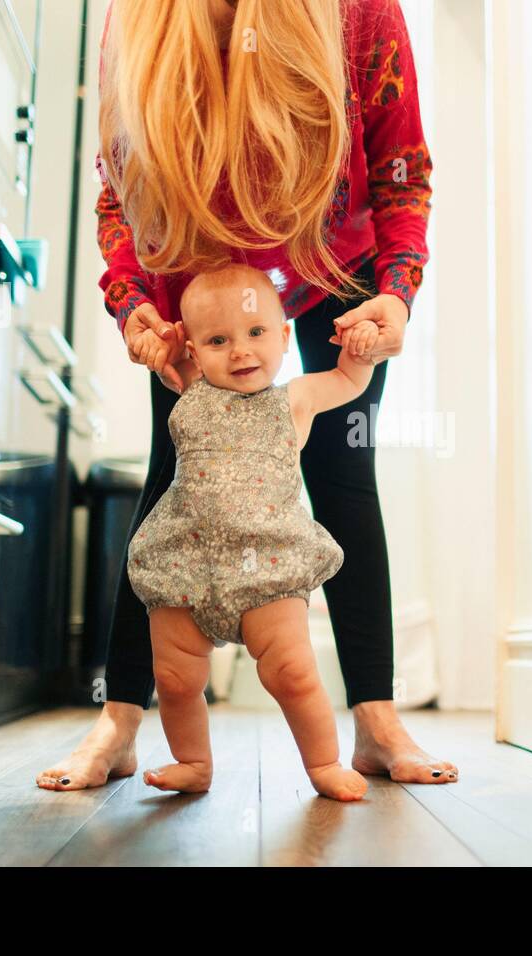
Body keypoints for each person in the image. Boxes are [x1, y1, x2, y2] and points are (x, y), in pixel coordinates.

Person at [37, 0, 458, 791]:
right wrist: (135, 310)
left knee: (342, 472)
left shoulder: (361, 13)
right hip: (201, 282)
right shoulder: (134, 22)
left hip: (339, 260)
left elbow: (402, 170)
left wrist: (396, 294)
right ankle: (121, 721)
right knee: (173, 477)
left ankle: (374, 722)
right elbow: (113, 194)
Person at [129, 263, 379, 800]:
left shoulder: (297, 398)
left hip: (268, 563)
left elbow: (350, 381)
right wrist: (160, 347)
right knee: (174, 680)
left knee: (291, 672)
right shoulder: (190, 386)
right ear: (194, 351)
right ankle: (193, 762)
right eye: (219, 339)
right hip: (184, 562)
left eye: (256, 333)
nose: (240, 350)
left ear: (284, 337)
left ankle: (324, 764)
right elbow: (167, 356)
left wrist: (358, 355)